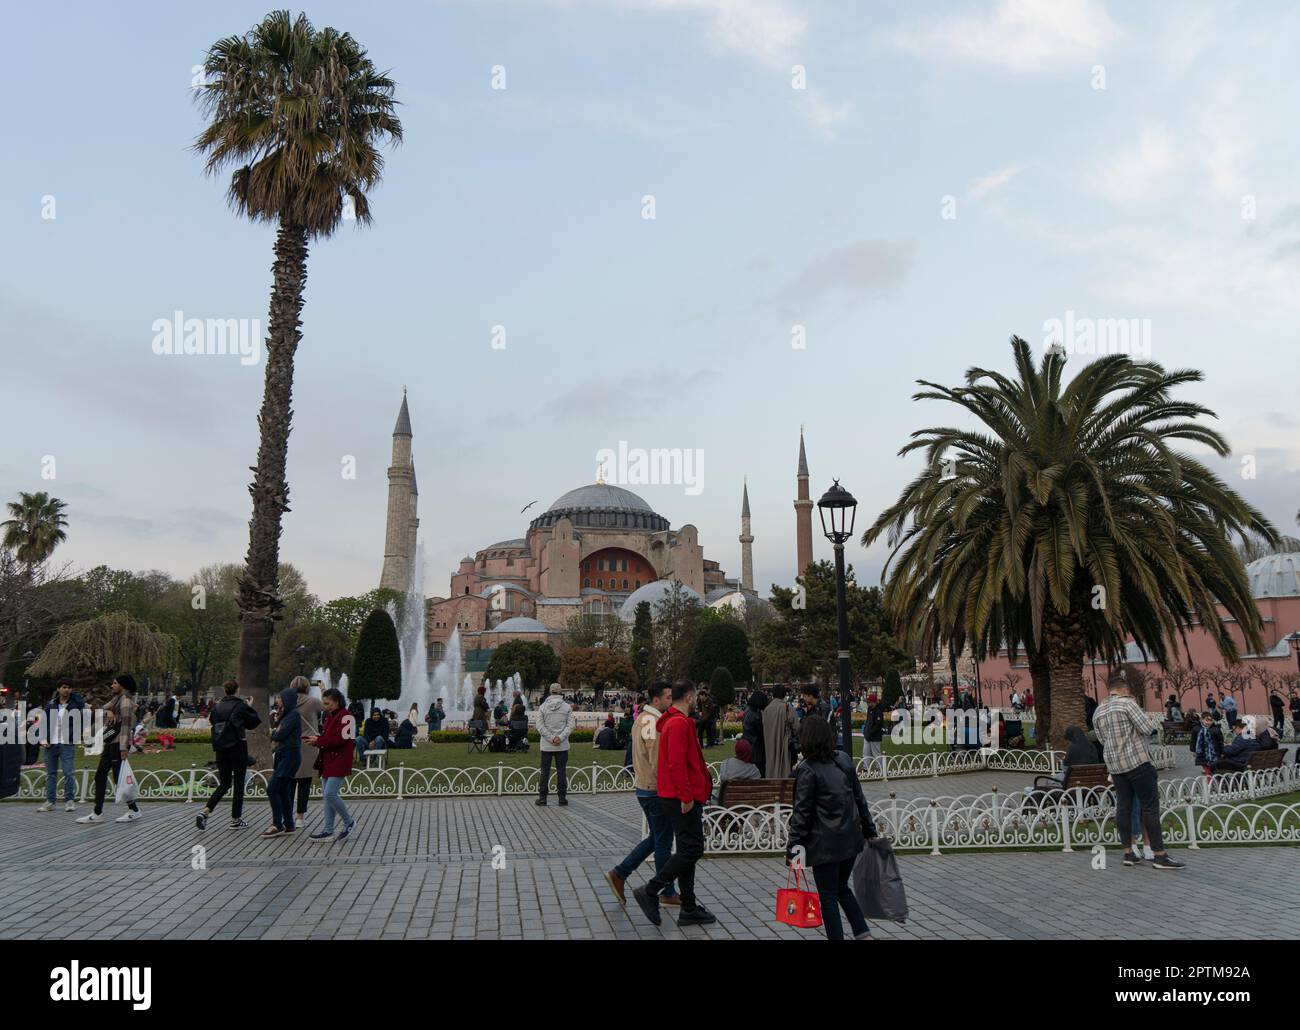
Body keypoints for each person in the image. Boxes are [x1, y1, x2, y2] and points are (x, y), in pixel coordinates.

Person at [785, 715, 876, 941]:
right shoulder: (843, 760)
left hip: (825, 845)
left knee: (828, 896)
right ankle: (863, 933)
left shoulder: (808, 769)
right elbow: (859, 798)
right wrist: (869, 830)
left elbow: (801, 814)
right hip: (850, 838)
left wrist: (793, 847)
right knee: (841, 889)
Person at [634, 680, 716, 927]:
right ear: (690, 697)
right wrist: (686, 796)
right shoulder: (679, 723)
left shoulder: (672, 721)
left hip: (675, 795)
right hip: (681, 797)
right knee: (693, 850)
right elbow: (677, 763)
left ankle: (688, 907)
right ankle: (651, 890)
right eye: (695, 697)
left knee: (685, 850)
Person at [1093, 670, 1183, 869]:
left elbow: (1101, 739)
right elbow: (1146, 727)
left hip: (1116, 766)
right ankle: (1159, 854)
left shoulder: (1099, 711)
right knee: (1149, 807)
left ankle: (1129, 852)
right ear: (1124, 690)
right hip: (1137, 762)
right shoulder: (1127, 704)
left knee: (1123, 808)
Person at [604, 681, 680, 909]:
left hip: (645, 787)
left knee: (656, 838)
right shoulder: (651, 721)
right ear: (656, 700)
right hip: (655, 789)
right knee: (663, 841)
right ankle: (666, 890)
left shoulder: (643, 719)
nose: (670, 701)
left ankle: (620, 873)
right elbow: (656, 760)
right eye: (668, 697)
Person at [77, 674, 142, 824]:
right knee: (100, 776)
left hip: (117, 745)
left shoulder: (125, 701)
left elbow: (126, 726)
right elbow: (101, 710)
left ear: (122, 685)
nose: (112, 686)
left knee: (119, 778)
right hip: (111, 743)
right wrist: (108, 711)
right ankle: (97, 812)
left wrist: (123, 747)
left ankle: (134, 810)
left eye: (114, 683)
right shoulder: (117, 699)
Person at [197, 679, 261, 830]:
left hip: (221, 748)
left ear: (225, 691)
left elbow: (213, 722)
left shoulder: (217, 707)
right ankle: (236, 819)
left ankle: (205, 811)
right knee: (238, 783)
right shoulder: (240, 705)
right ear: (237, 690)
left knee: (224, 783)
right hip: (238, 747)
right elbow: (254, 722)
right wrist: (248, 706)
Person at [303, 687, 357, 842]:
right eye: (324, 704)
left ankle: (349, 822)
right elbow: (329, 739)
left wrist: (319, 741)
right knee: (327, 797)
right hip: (328, 761)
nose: (325, 707)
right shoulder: (330, 716)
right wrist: (317, 741)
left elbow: (341, 740)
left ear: (337, 701)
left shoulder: (346, 716)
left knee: (330, 794)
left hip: (339, 761)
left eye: (328, 704)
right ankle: (328, 830)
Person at [37, 679, 84, 813]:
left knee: (68, 772)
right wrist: (43, 738)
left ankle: (69, 801)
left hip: (66, 742)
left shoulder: (76, 704)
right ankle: (50, 801)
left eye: (69, 687)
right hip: (51, 743)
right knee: (50, 774)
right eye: (64, 687)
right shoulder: (51, 704)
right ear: (58, 689)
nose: (66, 690)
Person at [264, 686, 301, 837]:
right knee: (283, 790)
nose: (277, 700)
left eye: (280, 698)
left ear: (287, 700)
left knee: (272, 789)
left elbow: (279, 735)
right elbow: (277, 732)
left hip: (289, 756)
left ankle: (277, 824)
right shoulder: (286, 715)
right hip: (284, 755)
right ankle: (289, 824)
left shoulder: (293, 715)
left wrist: (275, 732)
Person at [535, 684, 576, 806]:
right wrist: (560, 738)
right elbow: (571, 725)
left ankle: (542, 798)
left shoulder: (543, 707)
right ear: (560, 692)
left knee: (545, 772)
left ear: (550, 692)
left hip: (546, 745)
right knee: (561, 771)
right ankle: (562, 798)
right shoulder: (566, 707)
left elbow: (539, 726)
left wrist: (551, 738)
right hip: (562, 745)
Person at [292, 677, 322, 823]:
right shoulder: (313, 702)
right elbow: (328, 709)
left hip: (292, 744)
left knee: (289, 782)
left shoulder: (287, 701)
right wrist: (323, 690)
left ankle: (287, 815)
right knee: (304, 782)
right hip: (309, 744)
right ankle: (300, 817)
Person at [762, 685, 798, 779]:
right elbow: (797, 728)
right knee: (784, 770)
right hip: (785, 747)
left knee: (771, 769)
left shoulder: (766, 710)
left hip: (769, 746)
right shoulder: (788, 708)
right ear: (784, 694)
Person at [858, 692, 885, 778]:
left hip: (875, 737)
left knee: (876, 754)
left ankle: (879, 769)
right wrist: (866, 731)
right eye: (868, 702)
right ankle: (865, 769)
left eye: (870, 702)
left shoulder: (878, 711)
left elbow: (878, 725)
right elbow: (868, 721)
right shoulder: (870, 709)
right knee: (865, 753)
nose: (869, 704)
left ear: (875, 702)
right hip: (867, 735)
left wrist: (870, 732)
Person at [741, 689, 769, 776]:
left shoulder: (748, 711)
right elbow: (761, 732)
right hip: (756, 749)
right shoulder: (755, 715)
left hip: (749, 745)